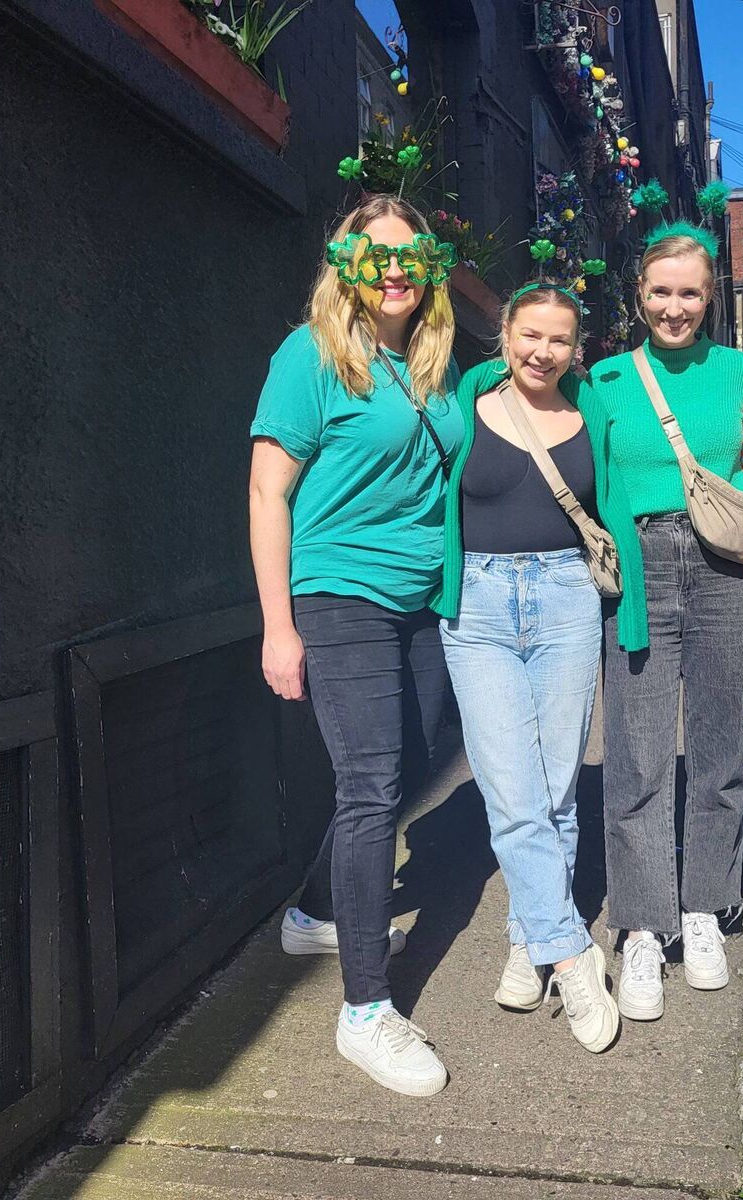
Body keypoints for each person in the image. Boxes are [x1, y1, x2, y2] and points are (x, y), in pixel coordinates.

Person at [248, 195, 463, 1096]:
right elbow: (268, 494)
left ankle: (313, 911)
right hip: (337, 594)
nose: (398, 271)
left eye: (413, 256)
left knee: (413, 762)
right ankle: (366, 1010)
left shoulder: (435, 366)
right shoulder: (310, 357)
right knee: (372, 785)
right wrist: (278, 628)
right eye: (378, 258)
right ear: (347, 265)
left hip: (420, 599)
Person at [433, 282, 648, 1053]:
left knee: (557, 789)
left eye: (558, 340)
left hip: (564, 599)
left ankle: (528, 939)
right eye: (530, 335)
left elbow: (617, 504)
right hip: (480, 608)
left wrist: (629, 615)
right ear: (505, 334)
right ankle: (571, 951)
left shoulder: (591, 407)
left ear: (575, 346)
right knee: (511, 790)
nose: (541, 351)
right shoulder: (469, 397)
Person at [588, 223, 743, 1022]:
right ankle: (644, 926)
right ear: (639, 296)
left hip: (727, 570)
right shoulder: (608, 378)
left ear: (711, 296)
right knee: (638, 754)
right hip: (642, 571)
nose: (674, 306)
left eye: (690, 291)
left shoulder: (739, 371)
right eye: (660, 291)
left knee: (721, 748)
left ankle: (704, 907)